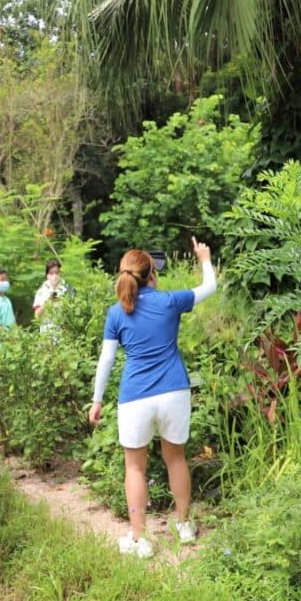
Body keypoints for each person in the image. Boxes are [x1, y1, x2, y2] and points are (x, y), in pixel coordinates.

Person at [88, 238, 216, 556]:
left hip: (135, 397)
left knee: (135, 468)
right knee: (175, 458)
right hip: (174, 390)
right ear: (152, 275)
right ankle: (184, 526)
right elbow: (210, 287)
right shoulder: (171, 301)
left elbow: (106, 360)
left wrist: (97, 399)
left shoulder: (116, 313)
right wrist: (204, 258)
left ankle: (139, 539)